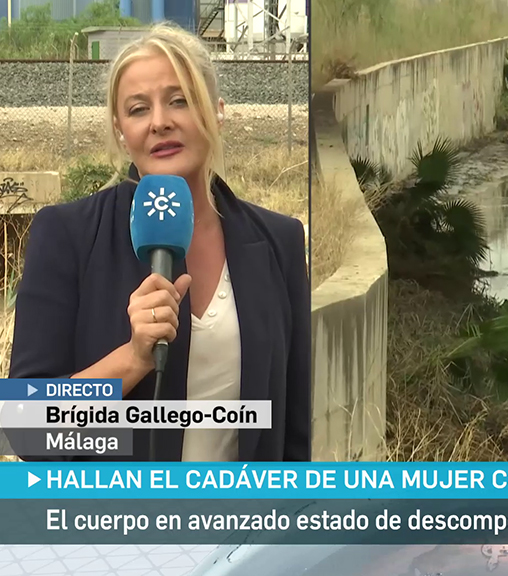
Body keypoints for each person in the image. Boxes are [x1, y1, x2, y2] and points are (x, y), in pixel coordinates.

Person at [8, 23, 311, 462]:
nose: (160, 121)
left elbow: (293, 431)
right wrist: (131, 360)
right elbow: (26, 429)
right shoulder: (66, 235)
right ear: (119, 129)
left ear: (217, 111)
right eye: (137, 109)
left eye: (179, 100)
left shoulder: (279, 241)